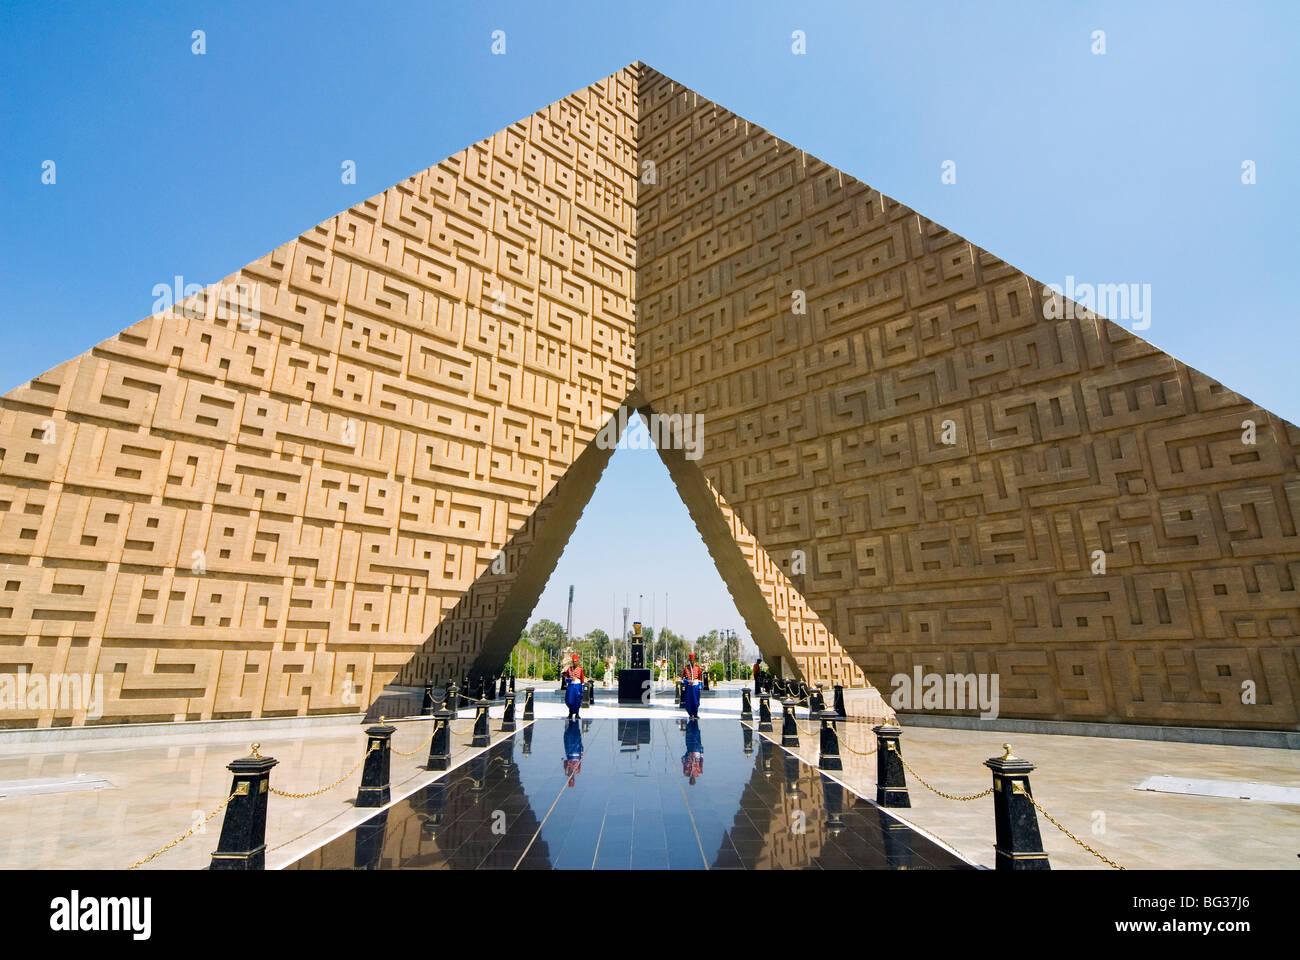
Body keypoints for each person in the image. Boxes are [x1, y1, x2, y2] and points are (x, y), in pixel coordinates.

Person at [681, 719, 704, 785]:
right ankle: (694, 720)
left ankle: (692, 720)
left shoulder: (686, 771)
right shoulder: (699, 771)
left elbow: (683, 760)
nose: (692, 780)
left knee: (690, 733)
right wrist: (702, 750)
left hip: (690, 749)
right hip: (697, 750)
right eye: (693, 781)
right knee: (696, 732)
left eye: (691, 781)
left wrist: (688, 755)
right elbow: (701, 760)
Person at [562, 653, 585, 720]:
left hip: (577, 686)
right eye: (573, 661)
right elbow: (565, 678)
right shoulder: (569, 669)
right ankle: (570, 712)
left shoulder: (580, 669)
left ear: (578, 662)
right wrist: (570, 679)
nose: (575, 663)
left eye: (576, 661)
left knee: (577, 701)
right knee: (570, 700)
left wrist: (582, 690)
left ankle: (577, 714)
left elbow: (582, 680)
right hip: (571, 686)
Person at [563, 717, 584, 787]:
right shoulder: (577, 770)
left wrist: (568, 768)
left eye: (570, 779)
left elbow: (565, 761)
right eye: (572, 779)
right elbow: (580, 759)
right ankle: (574, 718)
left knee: (569, 731)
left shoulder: (567, 771)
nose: (571, 778)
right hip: (576, 748)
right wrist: (581, 752)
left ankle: (570, 718)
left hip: (570, 748)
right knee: (576, 731)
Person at [681, 653, 703, 720]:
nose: (692, 661)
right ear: (689, 660)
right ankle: (690, 714)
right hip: (689, 687)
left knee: (696, 701)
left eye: (693, 660)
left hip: (696, 687)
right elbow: (683, 678)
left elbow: (700, 679)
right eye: (690, 660)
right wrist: (688, 681)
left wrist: (700, 687)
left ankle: (695, 714)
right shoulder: (686, 668)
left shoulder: (697, 668)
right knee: (689, 701)